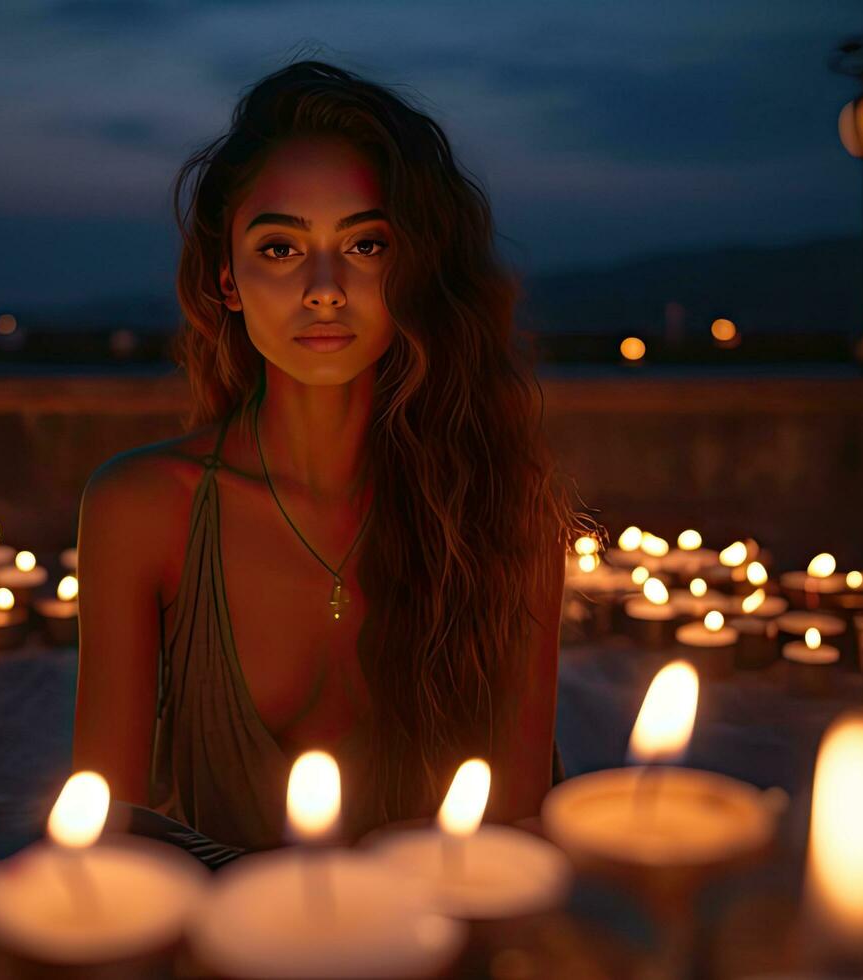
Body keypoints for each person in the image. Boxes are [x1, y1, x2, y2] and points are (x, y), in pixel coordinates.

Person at [73, 59, 587, 867]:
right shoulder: (142, 508)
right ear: (227, 280)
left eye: (366, 243)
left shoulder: (502, 511)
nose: (323, 288)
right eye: (279, 247)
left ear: (414, 268)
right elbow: (103, 835)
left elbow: (514, 843)